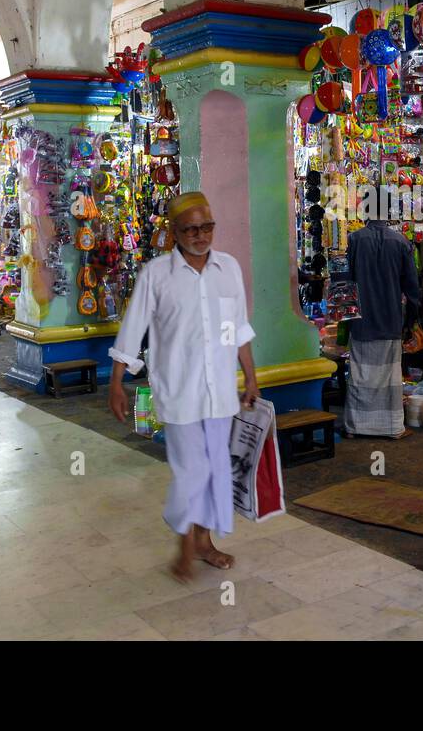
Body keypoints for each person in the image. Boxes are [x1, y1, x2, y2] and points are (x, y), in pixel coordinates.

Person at [108, 191, 259, 582]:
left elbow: (237, 328)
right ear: (173, 231)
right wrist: (117, 384)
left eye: (206, 227)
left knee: (215, 469)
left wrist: (251, 379)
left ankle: (204, 542)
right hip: (178, 391)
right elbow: (133, 329)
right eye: (190, 229)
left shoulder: (228, 269)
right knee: (190, 470)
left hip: (220, 391)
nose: (200, 235)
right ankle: (184, 540)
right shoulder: (156, 275)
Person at [343, 195, 421, 438]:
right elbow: (412, 288)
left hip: (361, 321)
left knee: (361, 374)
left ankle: (356, 427)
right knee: (390, 376)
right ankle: (392, 428)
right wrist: (411, 321)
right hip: (390, 319)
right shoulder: (400, 242)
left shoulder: (354, 240)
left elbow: (345, 284)